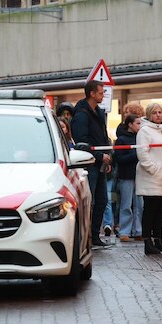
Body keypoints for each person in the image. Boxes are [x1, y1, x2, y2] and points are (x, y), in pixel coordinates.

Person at [71, 80, 113, 247]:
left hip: (100, 162)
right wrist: (99, 155)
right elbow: (82, 142)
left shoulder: (99, 113)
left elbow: (103, 137)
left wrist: (107, 156)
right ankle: (87, 236)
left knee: (101, 200)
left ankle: (95, 235)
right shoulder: (82, 115)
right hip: (89, 164)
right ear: (92, 94)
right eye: (101, 92)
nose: (103, 95)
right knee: (91, 200)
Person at [136, 103, 162, 255]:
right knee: (149, 211)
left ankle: (159, 240)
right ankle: (147, 241)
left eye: (160, 112)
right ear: (149, 114)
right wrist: (154, 169)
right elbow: (143, 154)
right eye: (155, 112)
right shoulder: (144, 131)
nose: (158, 115)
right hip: (151, 177)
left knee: (160, 212)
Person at [113, 113, 143, 242]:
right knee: (126, 204)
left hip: (140, 175)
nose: (140, 126)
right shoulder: (122, 140)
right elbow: (119, 158)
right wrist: (135, 154)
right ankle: (124, 231)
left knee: (139, 205)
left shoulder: (141, 138)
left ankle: (138, 230)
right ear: (130, 125)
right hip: (126, 175)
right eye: (137, 123)